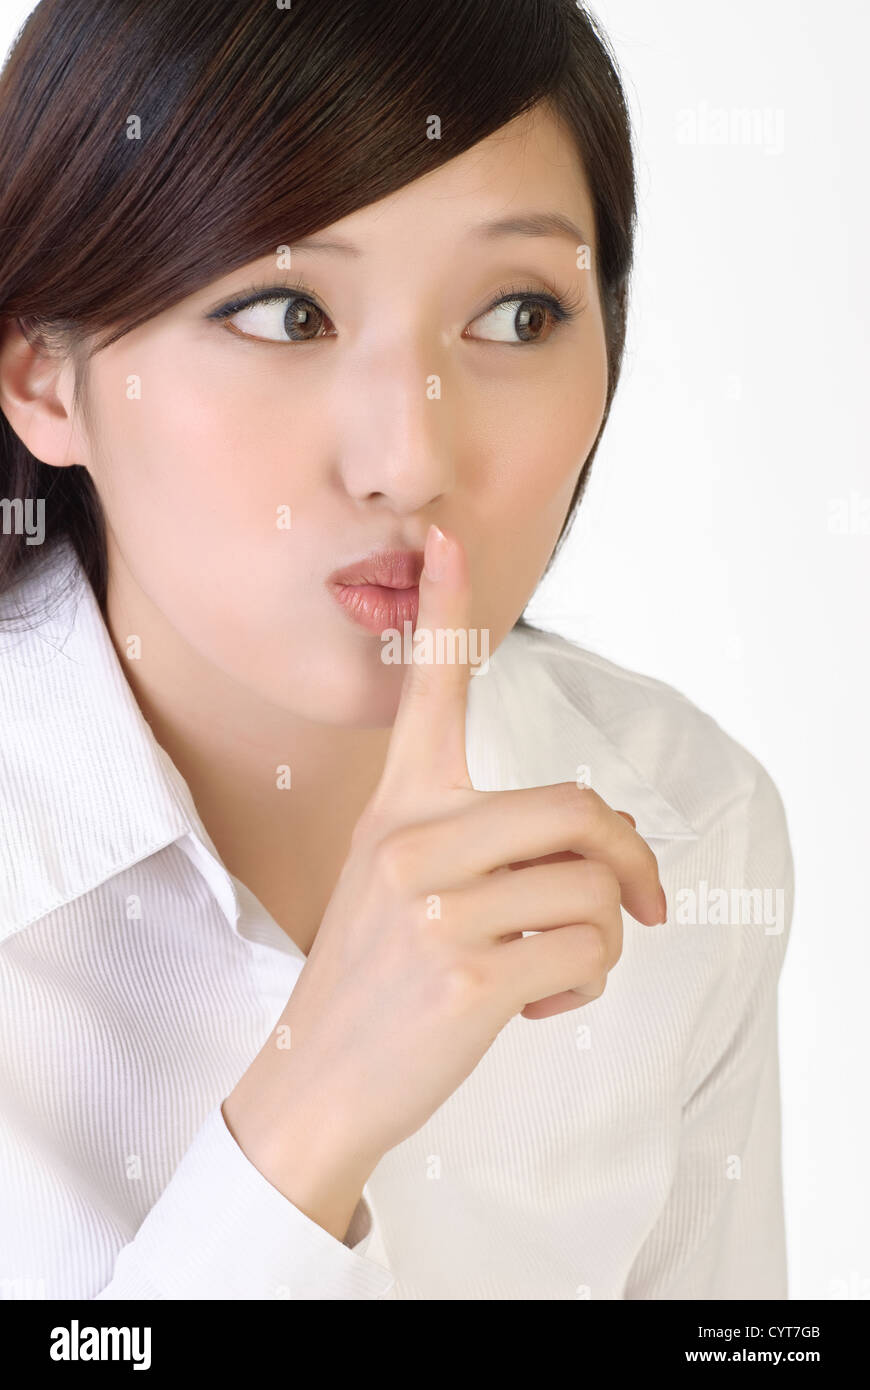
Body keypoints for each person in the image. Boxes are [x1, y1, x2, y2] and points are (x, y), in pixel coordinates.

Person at [0, 0, 793, 1300]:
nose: (410, 460)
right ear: (44, 373)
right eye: (281, 314)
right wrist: (309, 1113)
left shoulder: (687, 828)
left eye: (518, 316)